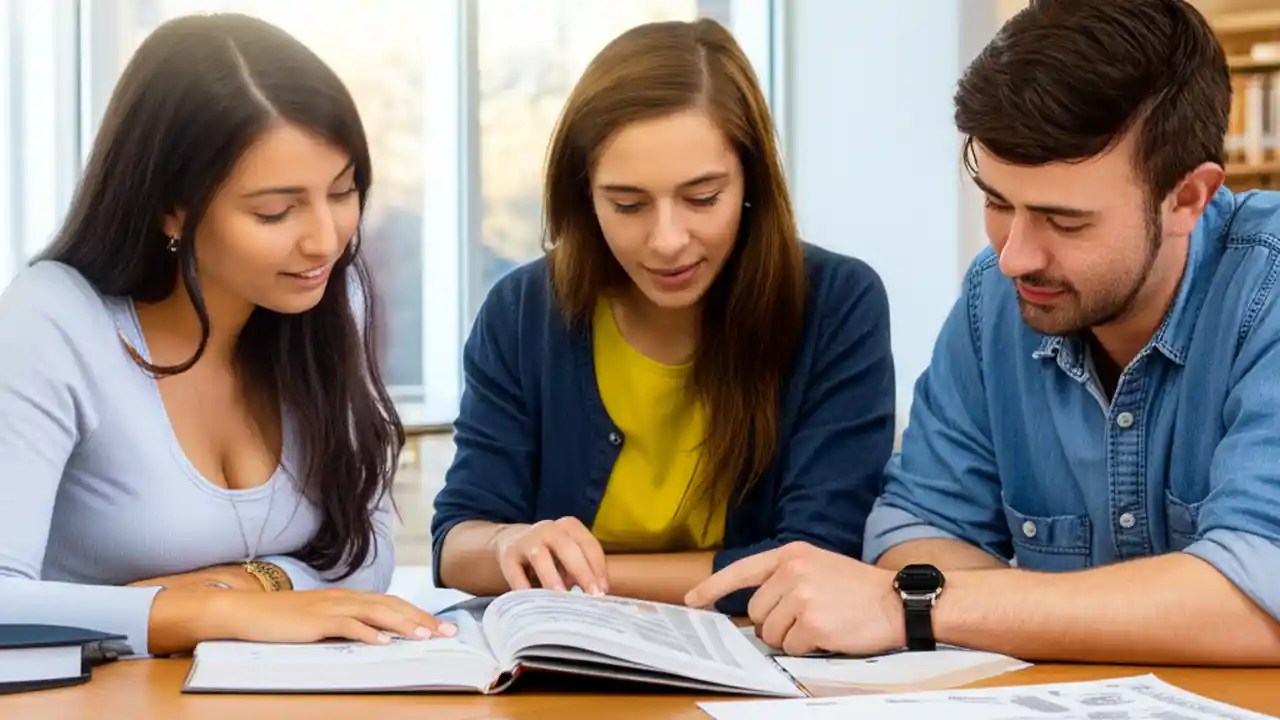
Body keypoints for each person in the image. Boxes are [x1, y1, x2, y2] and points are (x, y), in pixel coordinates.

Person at [688, 0, 1280, 664]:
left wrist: (921, 606)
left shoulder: (1268, 290)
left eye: (1065, 220)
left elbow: (1261, 598)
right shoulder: (995, 297)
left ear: (1189, 199)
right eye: (998, 201)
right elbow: (912, 530)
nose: (1014, 256)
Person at [0, 13, 449, 657]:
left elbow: (365, 550)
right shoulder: (52, 320)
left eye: (343, 191)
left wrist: (236, 588)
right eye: (275, 211)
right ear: (170, 206)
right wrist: (213, 615)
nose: (325, 240)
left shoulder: (321, 296)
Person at [431, 19, 895, 614]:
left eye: (703, 198)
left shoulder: (836, 303)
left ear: (751, 181)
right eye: (627, 205)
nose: (668, 241)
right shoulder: (521, 310)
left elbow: (814, 560)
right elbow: (455, 541)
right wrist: (507, 543)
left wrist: (572, 576)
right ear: (584, 197)